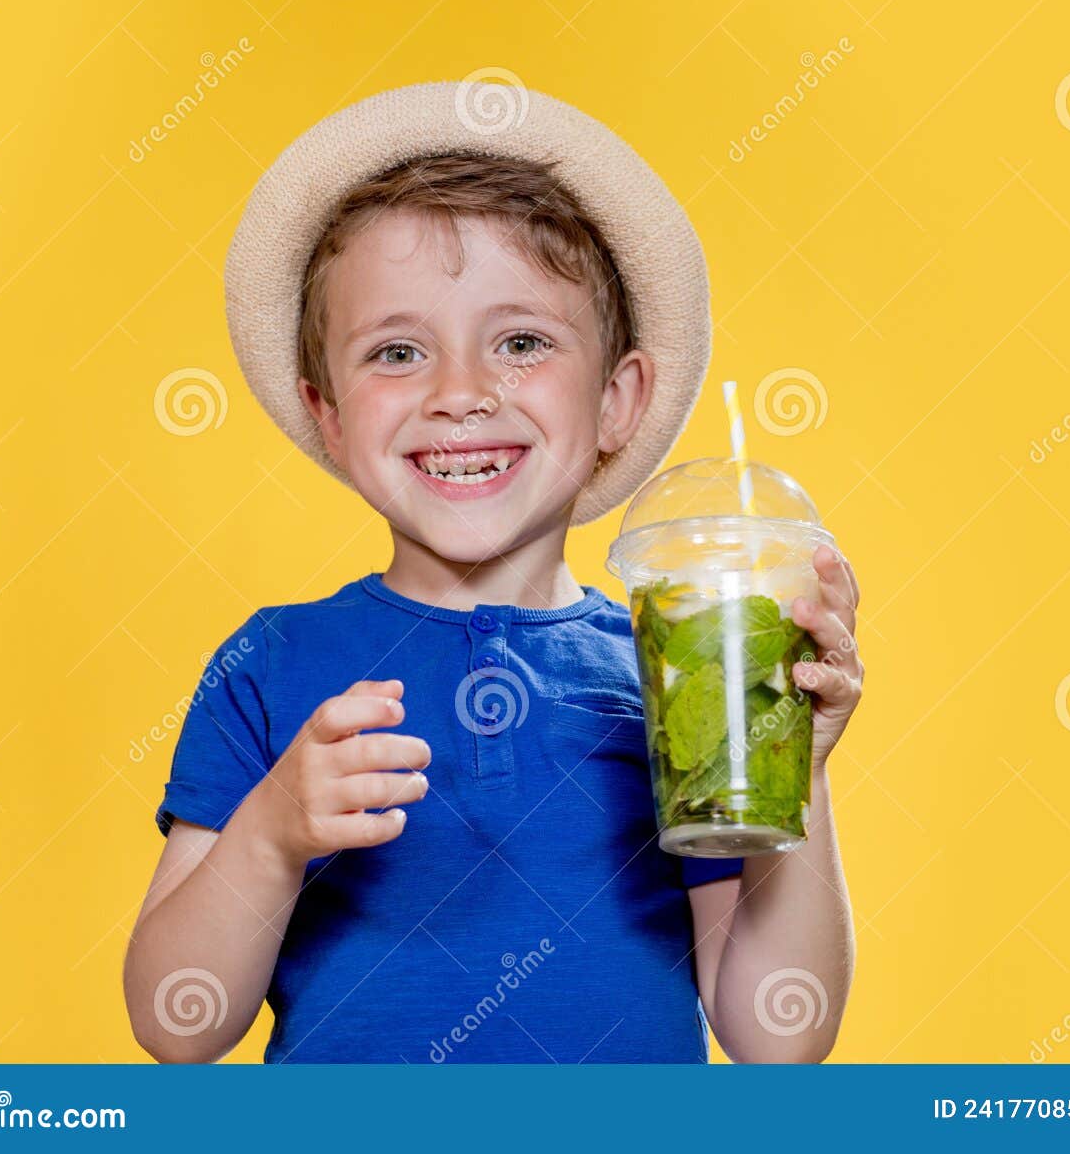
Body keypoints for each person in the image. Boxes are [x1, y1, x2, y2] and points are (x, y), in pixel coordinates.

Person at [122, 83, 863, 1063]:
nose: (461, 392)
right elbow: (177, 1024)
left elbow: (782, 1035)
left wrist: (791, 773)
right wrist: (268, 838)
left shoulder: (676, 675)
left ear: (616, 399)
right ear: (330, 413)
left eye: (520, 342)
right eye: (396, 350)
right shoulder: (270, 663)